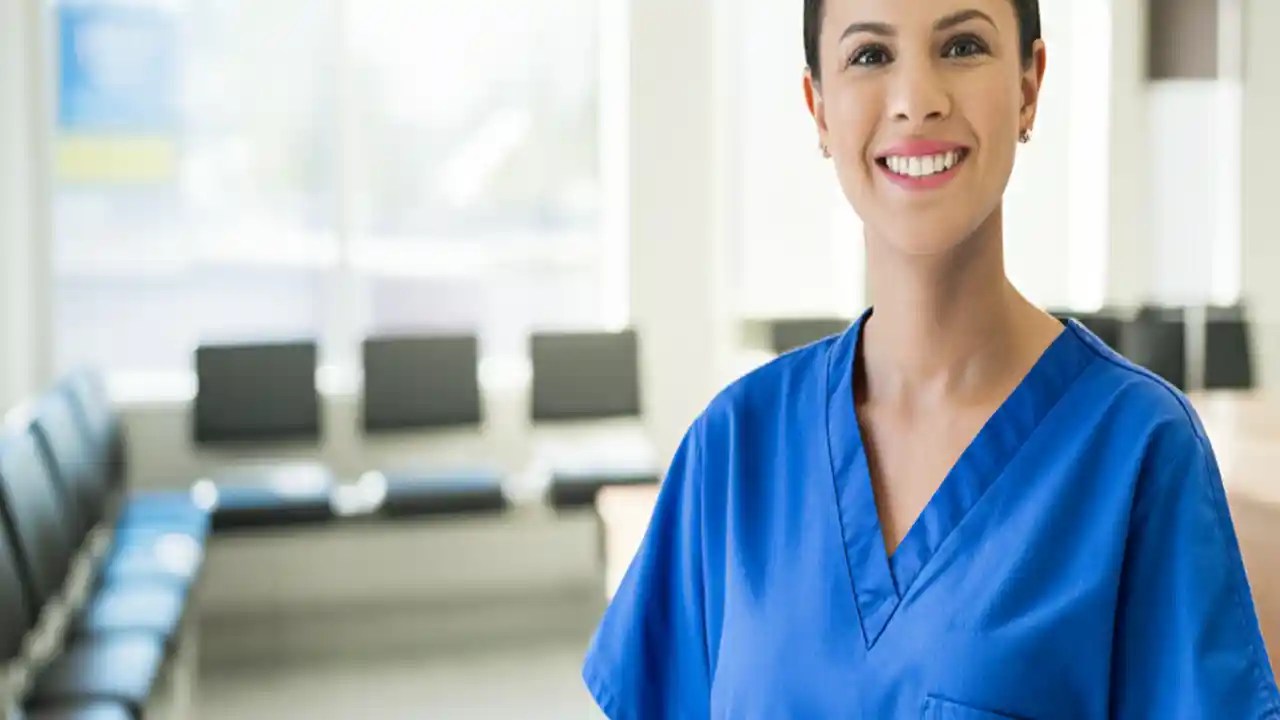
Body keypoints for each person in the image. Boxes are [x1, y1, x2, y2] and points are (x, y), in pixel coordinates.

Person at [582, 0, 1280, 716]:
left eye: (963, 45)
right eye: (870, 56)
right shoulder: (734, 447)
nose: (918, 102)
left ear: (1028, 88)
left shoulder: (1137, 449)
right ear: (819, 108)